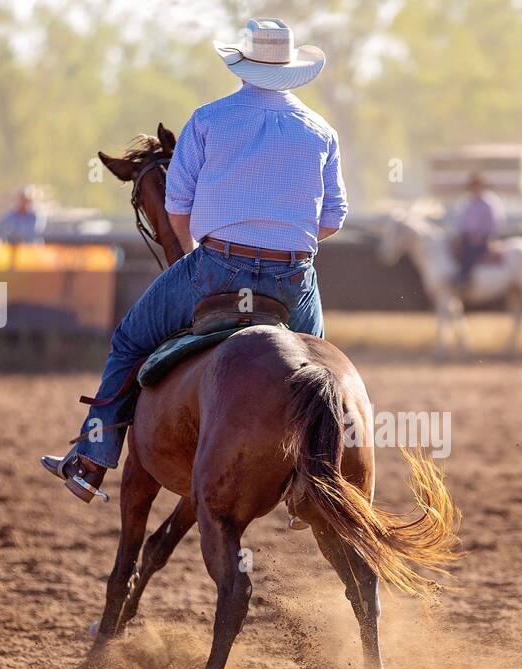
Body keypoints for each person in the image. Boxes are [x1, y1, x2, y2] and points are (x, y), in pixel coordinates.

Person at [40, 18, 347, 502]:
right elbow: (332, 221)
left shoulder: (207, 119)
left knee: (129, 340)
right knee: (318, 370)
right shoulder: (321, 131)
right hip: (293, 278)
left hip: (217, 268)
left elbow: (178, 208)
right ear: (291, 71)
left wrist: (200, 251)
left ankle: (93, 459)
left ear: (242, 67)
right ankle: (317, 481)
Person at [453, 172, 503, 296]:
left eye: (477, 185)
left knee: (470, 252)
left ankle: (464, 280)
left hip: (484, 238)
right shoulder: (467, 202)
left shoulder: (489, 203)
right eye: (473, 186)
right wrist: (463, 233)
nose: (474, 188)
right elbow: (461, 222)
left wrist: (480, 235)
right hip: (467, 237)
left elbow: (494, 223)